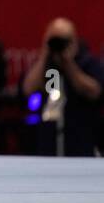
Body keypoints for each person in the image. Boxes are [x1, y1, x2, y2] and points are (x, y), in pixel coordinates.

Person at [20, 18, 104, 157]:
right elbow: (28, 89)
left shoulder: (87, 63)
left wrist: (68, 63)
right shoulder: (43, 66)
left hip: (80, 143)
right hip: (47, 144)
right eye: (54, 40)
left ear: (74, 41)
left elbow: (94, 91)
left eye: (64, 40)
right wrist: (45, 53)